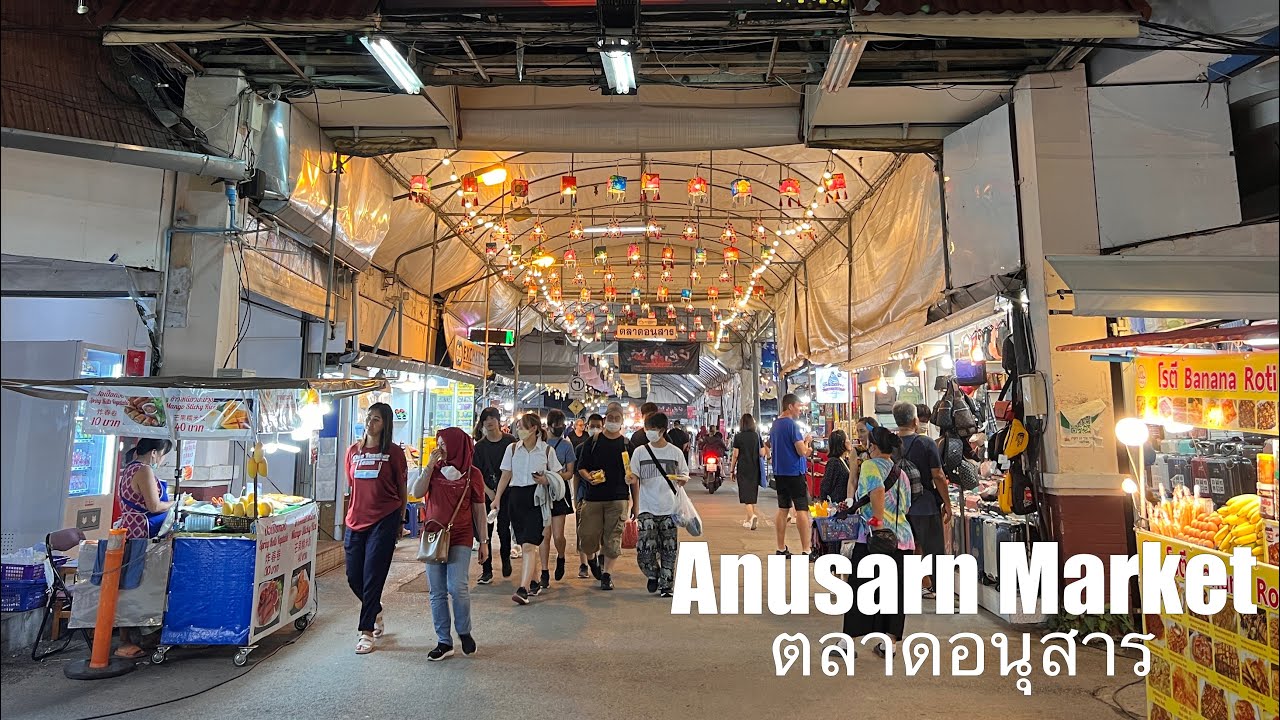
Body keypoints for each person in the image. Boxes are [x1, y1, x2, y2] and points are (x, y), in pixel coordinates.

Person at [412, 427, 488, 661]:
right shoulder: (433, 470)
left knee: (457, 587)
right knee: (437, 591)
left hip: (461, 536)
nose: (440, 448)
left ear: (457, 445)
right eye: (439, 443)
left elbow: (479, 509)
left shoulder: (473, 474)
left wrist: (483, 541)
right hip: (434, 536)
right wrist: (428, 466)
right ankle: (444, 641)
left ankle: (464, 631)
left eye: (445, 444)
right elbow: (416, 492)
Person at [842, 426, 914, 658]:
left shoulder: (870, 466)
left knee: (860, 590)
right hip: (902, 540)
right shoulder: (900, 472)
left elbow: (877, 491)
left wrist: (878, 522)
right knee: (894, 594)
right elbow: (906, 506)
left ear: (873, 447)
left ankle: (848, 644)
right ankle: (889, 645)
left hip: (874, 539)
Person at [345, 402, 408, 654]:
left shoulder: (394, 453)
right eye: (369, 417)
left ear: (386, 425)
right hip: (355, 520)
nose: (370, 423)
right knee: (353, 577)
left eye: (377, 419)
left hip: (385, 519)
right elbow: (351, 485)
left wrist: (400, 521)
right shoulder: (352, 451)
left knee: (373, 576)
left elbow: (401, 490)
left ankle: (366, 631)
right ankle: (375, 609)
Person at [112, 438, 174, 660]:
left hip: (130, 529)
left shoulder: (128, 468)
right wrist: (175, 503)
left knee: (130, 582)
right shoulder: (145, 470)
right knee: (140, 582)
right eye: (164, 455)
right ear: (155, 453)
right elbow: (154, 506)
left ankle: (132, 636)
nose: (163, 460)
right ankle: (132, 638)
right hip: (142, 533)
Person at [494, 413, 562, 605]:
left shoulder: (547, 451)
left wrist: (545, 480)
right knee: (523, 542)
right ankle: (533, 581)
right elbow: (506, 475)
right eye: (518, 426)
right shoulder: (513, 448)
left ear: (534, 429)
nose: (519, 429)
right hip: (516, 498)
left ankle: (522, 589)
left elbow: (557, 477)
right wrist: (497, 498)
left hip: (536, 498)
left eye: (522, 426)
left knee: (529, 544)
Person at [627, 412, 688, 597]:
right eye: (647, 429)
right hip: (647, 507)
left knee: (669, 549)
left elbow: (684, 473)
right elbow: (634, 475)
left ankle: (666, 586)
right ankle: (653, 574)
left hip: (669, 507)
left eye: (652, 429)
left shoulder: (675, 452)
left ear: (662, 430)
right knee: (645, 548)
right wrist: (630, 478)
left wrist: (682, 479)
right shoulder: (640, 452)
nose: (648, 432)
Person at [893, 401, 950, 600]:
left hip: (898, 508)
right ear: (915, 420)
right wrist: (947, 503)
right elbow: (938, 476)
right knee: (933, 550)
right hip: (925, 506)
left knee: (907, 549)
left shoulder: (890, 444)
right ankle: (939, 589)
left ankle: (907, 586)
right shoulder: (926, 443)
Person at [575, 407, 631, 591]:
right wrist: (588, 476)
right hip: (593, 498)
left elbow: (633, 476)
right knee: (587, 536)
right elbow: (581, 467)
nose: (614, 421)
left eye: (617, 418)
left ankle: (607, 574)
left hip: (619, 498)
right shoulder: (593, 442)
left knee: (612, 537)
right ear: (606, 419)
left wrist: (636, 503)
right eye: (611, 417)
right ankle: (591, 561)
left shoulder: (626, 444)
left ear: (622, 421)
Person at [473, 407, 516, 584]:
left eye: (492, 418)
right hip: (486, 493)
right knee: (485, 532)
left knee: (504, 528)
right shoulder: (479, 447)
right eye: (486, 419)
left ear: (499, 421)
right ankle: (487, 570)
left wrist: (498, 493)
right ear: (482, 423)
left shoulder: (510, 442)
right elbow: (476, 473)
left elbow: (514, 467)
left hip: (507, 492)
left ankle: (505, 558)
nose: (489, 422)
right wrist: (489, 492)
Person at [769, 393, 813, 557]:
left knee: (783, 509)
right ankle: (806, 550)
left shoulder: (775, 425)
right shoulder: (792, 425)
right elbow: (802, 451)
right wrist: (807, 443)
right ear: (790, 406)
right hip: (795, 472)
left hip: (780, 472)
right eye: (798, 406)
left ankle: (780, 548)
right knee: (802, 510)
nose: (800, 410)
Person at [541, 409, 577, 588]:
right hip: (542, 493)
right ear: (548, 426)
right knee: (544, 535)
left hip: (560, 493)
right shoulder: (541, 443)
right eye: (556, 426)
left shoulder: (566, 446)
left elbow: (570, 473)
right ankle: (544, 571)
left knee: (558, 535)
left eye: (562, 425)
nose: (560, 428)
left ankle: (561, 556)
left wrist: (553, 477)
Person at [574, 413, 606, 578]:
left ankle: (599, 559)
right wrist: (575, 497)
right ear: (587, 427)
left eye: (598, 426)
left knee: (600, 532)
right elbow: (577, 475)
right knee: (583, 531)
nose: (595, 429)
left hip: (603, 497)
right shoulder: (581, 448)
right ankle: (584, 564)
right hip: (584, 496)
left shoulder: (609, 446)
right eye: (592, 426)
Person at [730, 413, 766, 529]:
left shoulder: (738, 437)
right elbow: (762, 453)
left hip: (743, 468)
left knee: (745, 495)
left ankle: (752, 516)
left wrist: (731, 470)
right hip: (755, 468)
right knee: (751, 494)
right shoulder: (756, 436)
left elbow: (735, 455)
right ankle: (748, 520)